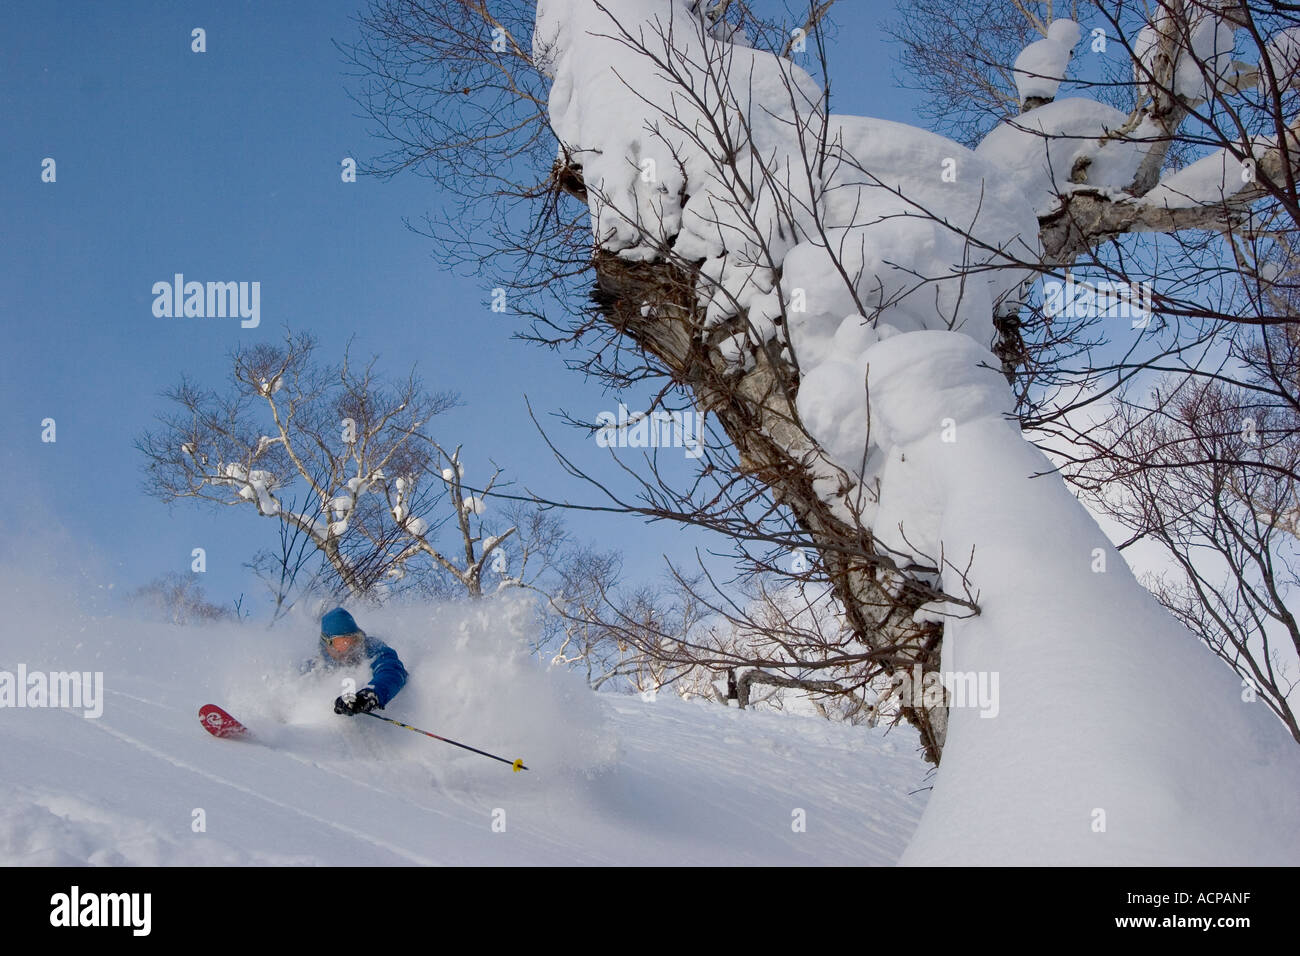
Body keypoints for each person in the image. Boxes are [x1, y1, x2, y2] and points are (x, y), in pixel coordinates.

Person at [305, 607, 408, 716]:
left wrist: (370, 695)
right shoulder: (314, 669)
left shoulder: (372, 650)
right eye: (341, 644)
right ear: (326, 644)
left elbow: (392, 671)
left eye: (354, 641)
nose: (348, 651)